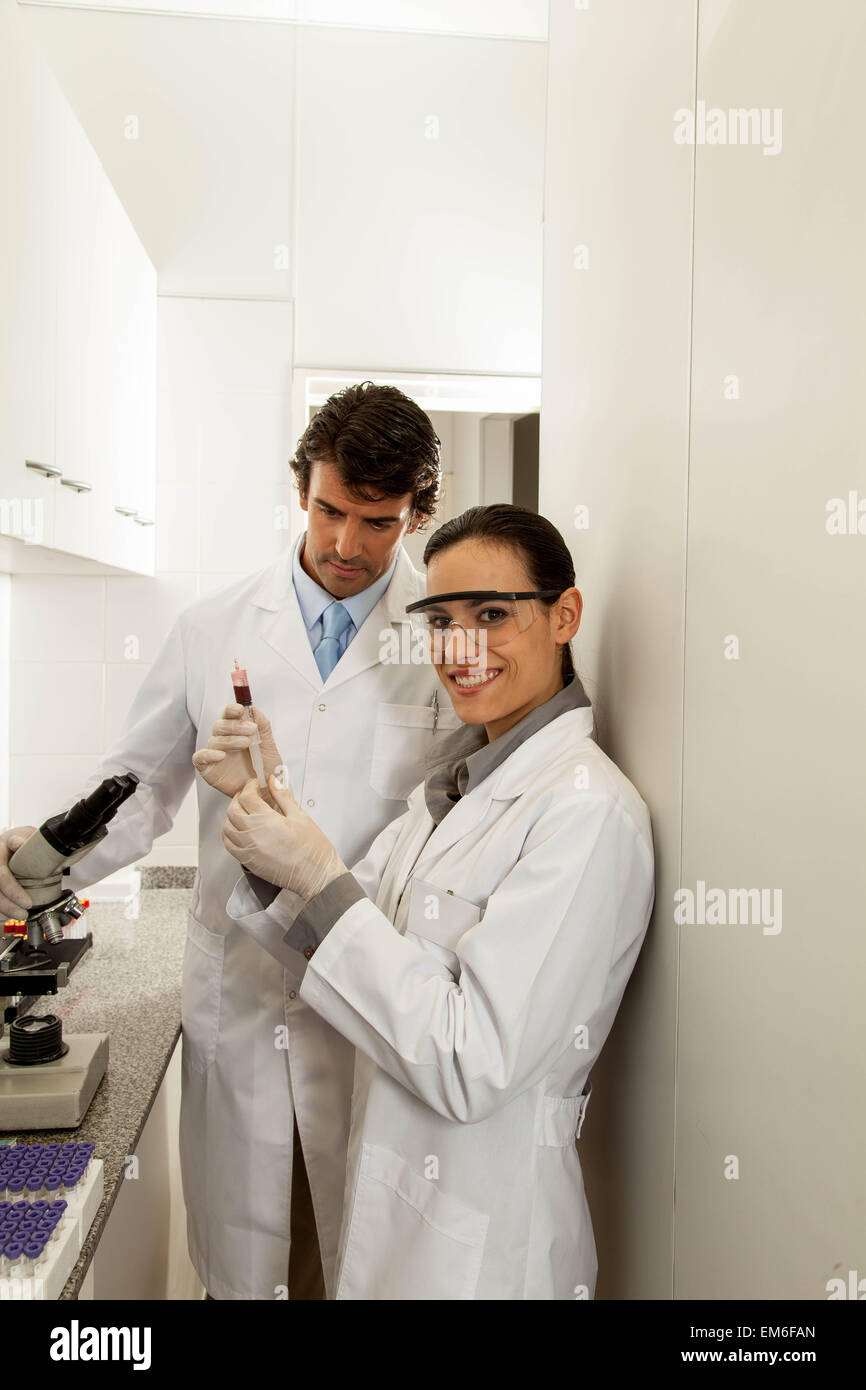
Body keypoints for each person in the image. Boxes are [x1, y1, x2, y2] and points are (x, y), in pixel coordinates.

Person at [0, 382, 460, 1300]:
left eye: (378, 522)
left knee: (351, 1266)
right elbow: (138, 789)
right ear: (301, 489)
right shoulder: (212, 626)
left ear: (418, 513)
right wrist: (39, 865)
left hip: (366, 1005)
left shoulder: (440, 640)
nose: (344, 544)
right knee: (240, 1278)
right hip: (241, 1002)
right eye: (330, 510)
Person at [217, 503, 655, 1299]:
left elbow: (471, 1061)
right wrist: (270, 804)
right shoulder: (451, 790)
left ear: (566, 615)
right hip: (402, 1211)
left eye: (493, 614)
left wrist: (316, 872)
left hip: (487, 1247)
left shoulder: (586, 813)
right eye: (441, 619)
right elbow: (344, 937)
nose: (459, 648)